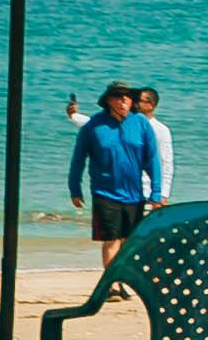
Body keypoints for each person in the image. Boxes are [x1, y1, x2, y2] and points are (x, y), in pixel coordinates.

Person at [67, 82, 161, 250]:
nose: (123, 101)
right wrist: (75, 189)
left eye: (128, 97)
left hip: (135, 195)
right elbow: (78, 159)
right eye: (118, 97)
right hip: (104, 193)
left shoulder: (141, 123)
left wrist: (157, 192)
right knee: (111, 241)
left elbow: (152, 159)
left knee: (130, 243)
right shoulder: (94, 126)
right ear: (109, 101)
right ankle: (113, 277)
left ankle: (124, 276)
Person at [133, 81, 174, 206]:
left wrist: (164, 194)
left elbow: (166, 162)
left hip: (148, 192)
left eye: (139, 100)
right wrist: (75, 116)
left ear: (151, 105)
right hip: (128, 190)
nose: (135, 104)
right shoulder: (128, 125)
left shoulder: (161, 130)